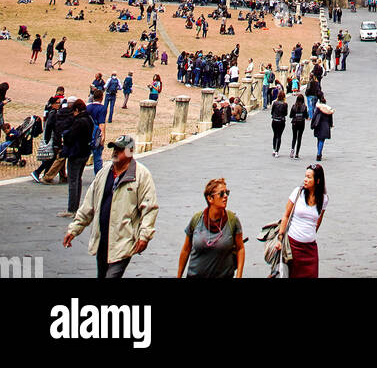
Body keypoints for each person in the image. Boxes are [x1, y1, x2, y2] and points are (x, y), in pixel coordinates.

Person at [63, 135, 158, 278]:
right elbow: (89, 204)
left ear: (130, 151)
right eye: (114, 149)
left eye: (120, 149)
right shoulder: (103, 173)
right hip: (102, 239)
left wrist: (144, 236)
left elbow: (149, 208)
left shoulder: (141, 175)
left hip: (124, 240)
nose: (115, 152)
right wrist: (75, 228)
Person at [177, 177, 244, 278]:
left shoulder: (233, 220)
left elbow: (240, 248)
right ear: (210, 198)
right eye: (221, 194)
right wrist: (179, 276)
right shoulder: (197, 219)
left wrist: (239, 276)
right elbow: (186, 249)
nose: (225, 196)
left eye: (227, 192)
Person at [277, 164, 328, 278]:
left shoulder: (324, 199)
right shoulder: (297, 193)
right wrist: (280, 238)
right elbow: (285, 216)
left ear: (318, 180)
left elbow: (318, 221)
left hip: (310, 249)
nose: (305, 180)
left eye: (309, 177)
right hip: (293, 246)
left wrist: (310, 234)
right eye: (305, 176)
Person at [59, 99, 96, 216]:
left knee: (73, 181)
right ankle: (75, 207)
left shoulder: (79, 121)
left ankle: (72, 209)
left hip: (76, 153)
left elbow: (70, 137)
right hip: (85, 153)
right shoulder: (89, 119)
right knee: (78, 180)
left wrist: (65, 136)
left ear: (76, 110)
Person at [289, 95, 307, 159]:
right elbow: (306, 116)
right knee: (299, 138)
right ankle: (297, 154)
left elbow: (290, 116)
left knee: (294, 137)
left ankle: (292, 149)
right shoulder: (304, 107)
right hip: (301, 123)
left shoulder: (294, 106)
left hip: (295, 123)